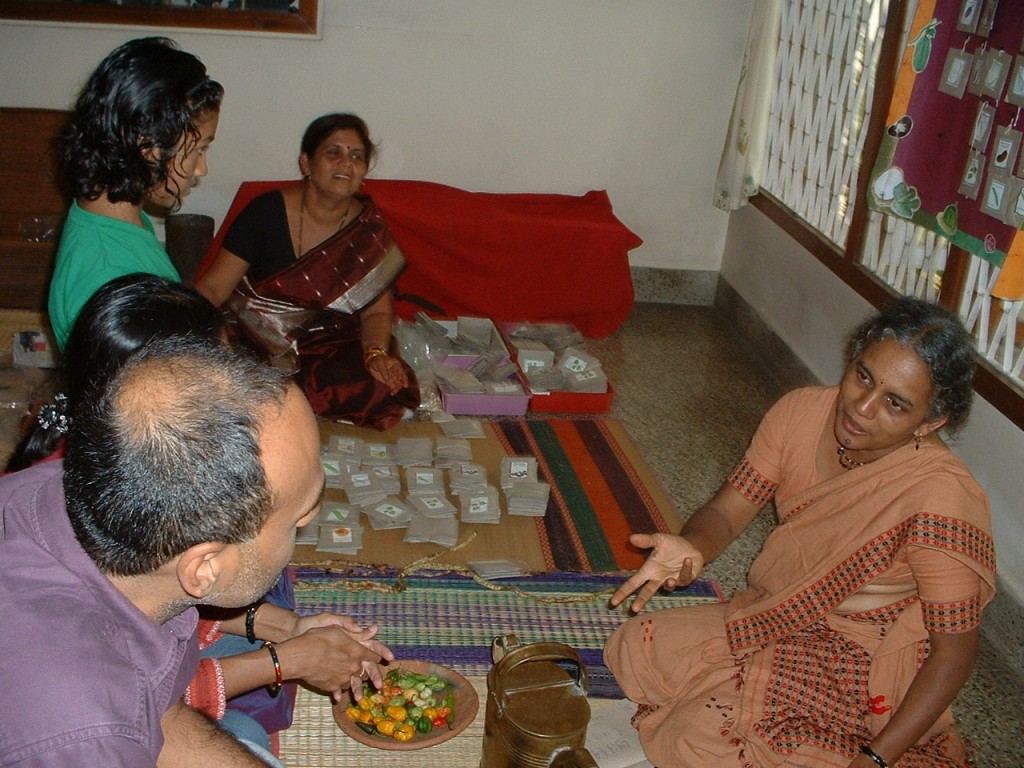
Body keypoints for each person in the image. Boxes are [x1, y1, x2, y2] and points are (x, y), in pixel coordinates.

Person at [5, 273, 390, 752]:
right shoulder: (86, 732)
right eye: (297, 520)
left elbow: (162, 709)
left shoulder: (56, 486)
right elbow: (137, 717)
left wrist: (284, 629)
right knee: (249, 736)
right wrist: (281, 659)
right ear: (203, 569)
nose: (307, 526)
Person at [605, 297, 996, 768]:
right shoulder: (799, 413)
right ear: (853, 357)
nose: (862, 407)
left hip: (859, 654)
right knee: (633, 645)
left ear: (930, 422)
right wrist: (693, 546)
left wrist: (875, 758)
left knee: (695, 738)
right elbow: (728, 512)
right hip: (775, 609)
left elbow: (953, 652)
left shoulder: (939, 497)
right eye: (863, 376)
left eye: (895, 404)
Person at [195, 112, 420, 430]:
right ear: (306, 164)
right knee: (229, 383)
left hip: (328, 341)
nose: (346, 164)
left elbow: (377, 314)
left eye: (356, 156)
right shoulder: (266, 212)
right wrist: (181, 333)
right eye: (334, 153)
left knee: (381, 385)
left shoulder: (367, 229)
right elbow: (214, 289)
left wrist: (375, 354)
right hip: (257, 334)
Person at [47, 36, 223, 349]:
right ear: (149, 147)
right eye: (198, 149)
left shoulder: (115, 216)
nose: (201, 169)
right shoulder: (111, 275)